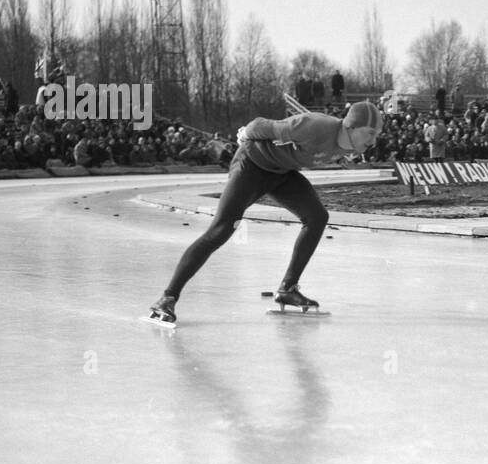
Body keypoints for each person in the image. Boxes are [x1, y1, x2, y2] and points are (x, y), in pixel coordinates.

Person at [147, 101, 384, 324]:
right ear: (351, 126)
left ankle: (288, 289)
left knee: (317, 217)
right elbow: (260, 125)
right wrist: (246, 134)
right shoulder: (314, 126)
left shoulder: (348, 146)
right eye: (370, 133)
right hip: (251, 165)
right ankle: (168, 297)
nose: (374, 141)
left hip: (281, 173)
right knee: (221, 230)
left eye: (377, 135)